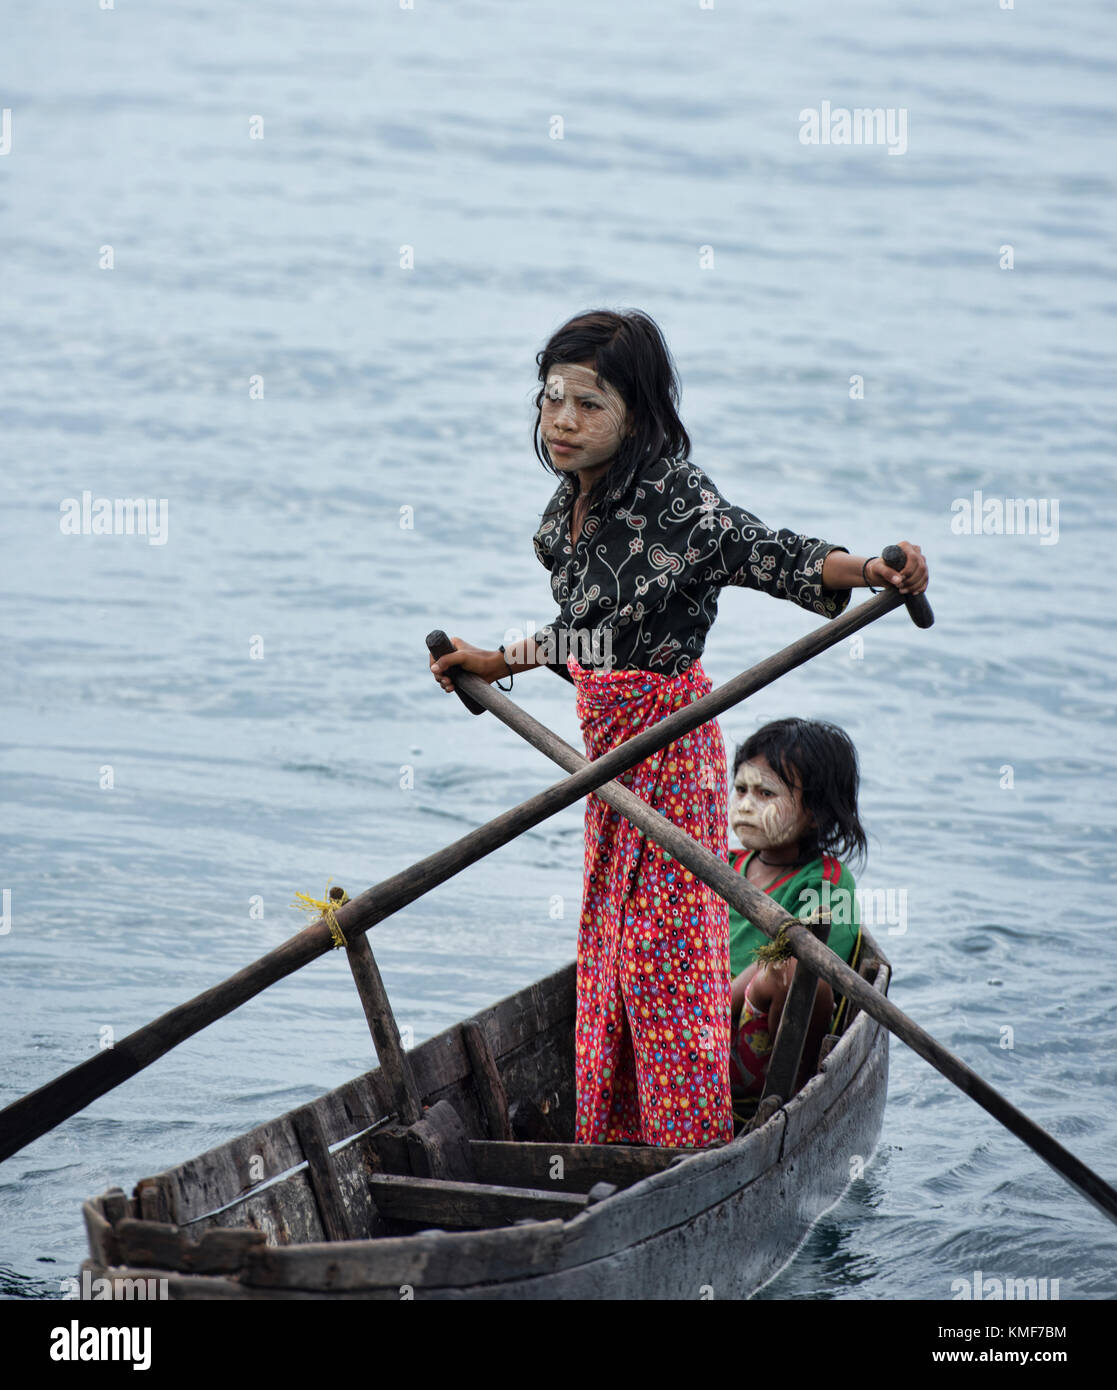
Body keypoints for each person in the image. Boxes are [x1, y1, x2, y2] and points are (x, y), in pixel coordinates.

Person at [428, 308, 928, 1148]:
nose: (562, 421)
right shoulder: (572, 508)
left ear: (639, 412)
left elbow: (765, 551)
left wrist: (871, 570)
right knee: (611, 952)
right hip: (607, 766)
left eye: (589, 405)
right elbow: (592, 638)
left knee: (665, 967)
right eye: (552, 399)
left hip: (667, 752)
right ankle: (618, 1130)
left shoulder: (675, 499)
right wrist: (493, 661)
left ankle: (683, 1142)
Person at [726, 718, 867, 1102]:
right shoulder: (722, 864)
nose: (746, 806)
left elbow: (820, 974)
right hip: (686, 1030)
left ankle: (783, 1103)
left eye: (765, 794)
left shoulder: (825, 883)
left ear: (816, 813)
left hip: (747, 1040)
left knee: (791, 969)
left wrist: (716, 1004)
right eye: (740, 790)